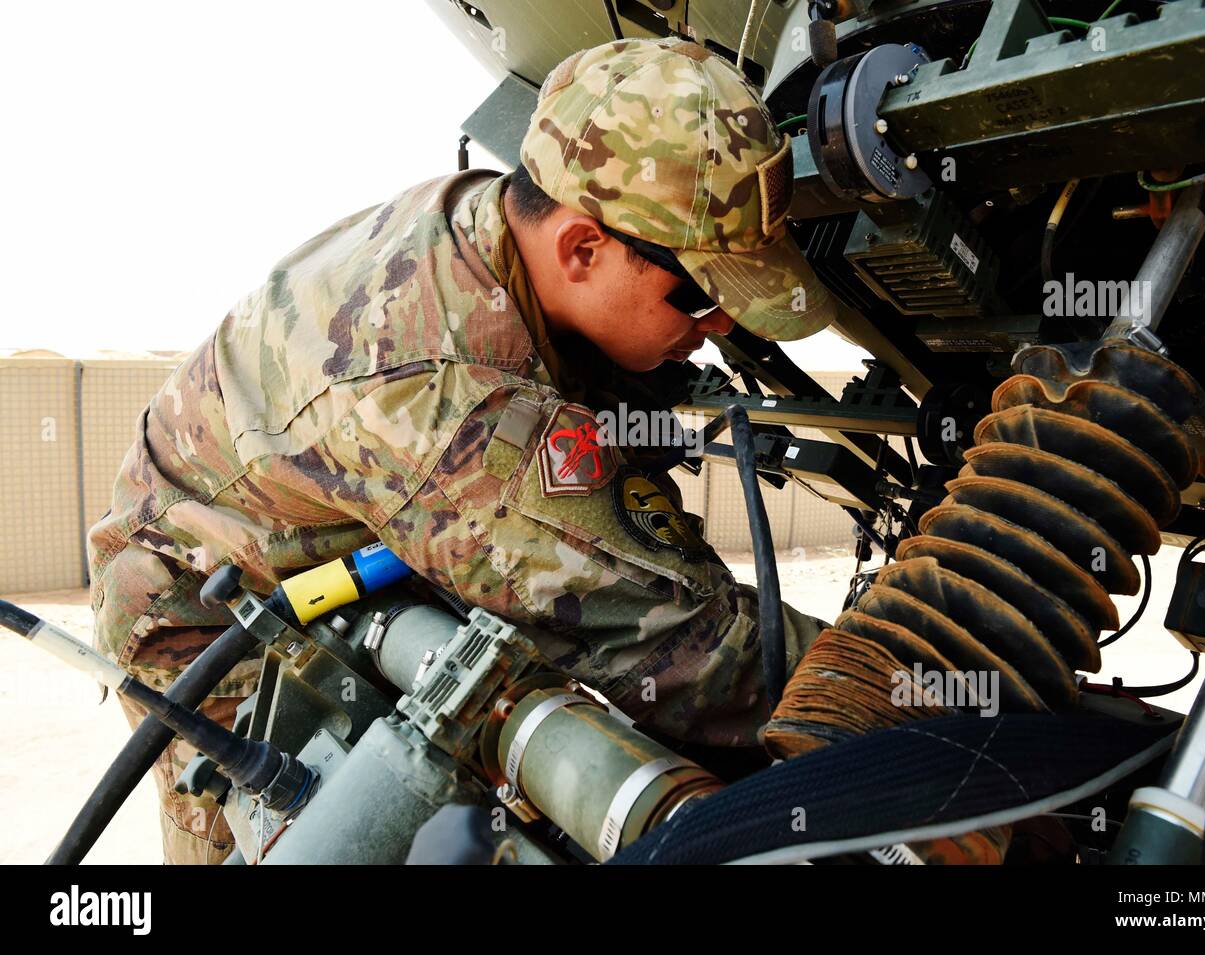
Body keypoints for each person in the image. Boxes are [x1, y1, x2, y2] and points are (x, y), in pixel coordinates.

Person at [88, 36, 843, 863]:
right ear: (581, 248)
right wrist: (896, 679)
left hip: (327, 552)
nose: (721, 325)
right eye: (697, 293)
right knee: (324, 829)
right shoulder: (445, 406)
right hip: (200, 616)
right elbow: (674, 648)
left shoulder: (501, 218)